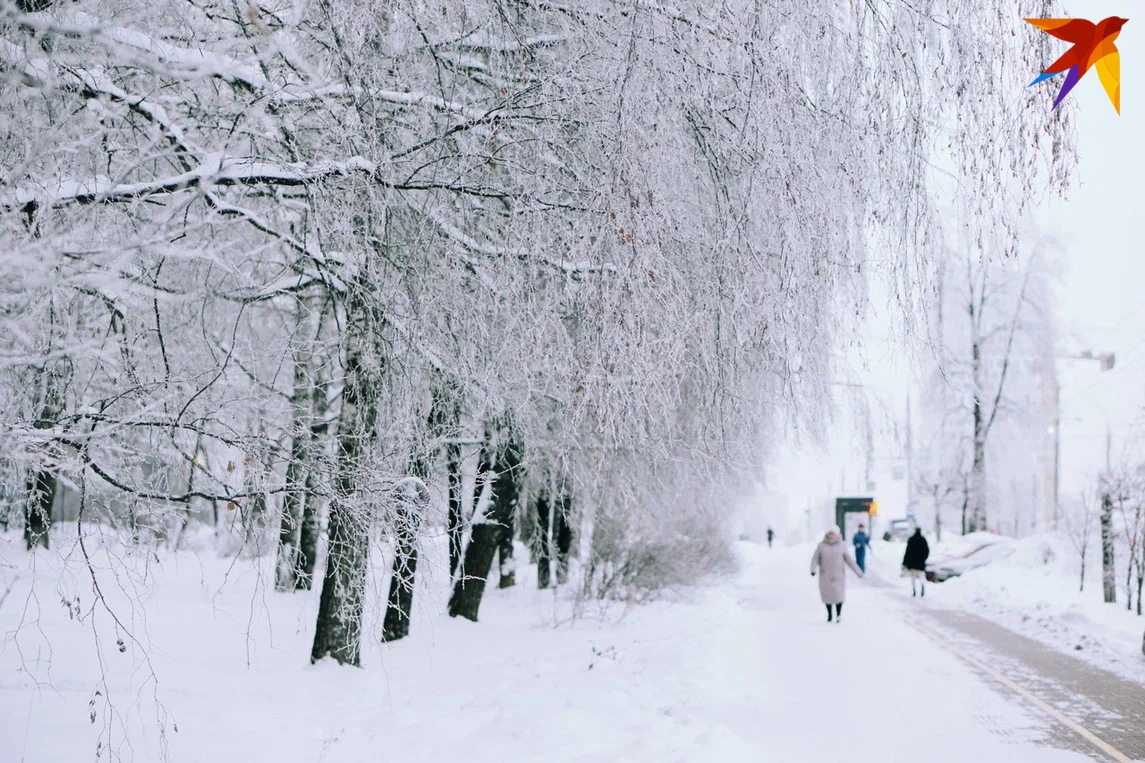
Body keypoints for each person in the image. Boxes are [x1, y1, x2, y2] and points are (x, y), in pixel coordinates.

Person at [810, 526, 864, 623]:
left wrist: (858, 572)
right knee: (827, 596)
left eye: (833, 533)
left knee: (838, 595)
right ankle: (830, 614)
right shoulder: (821, 546)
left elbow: (849, 560)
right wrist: (813, 569)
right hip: (825, 574)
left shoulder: (841, 545)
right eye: (830, 533)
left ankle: (838, 614)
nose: (831, 535)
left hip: (838, 575)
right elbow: (815, 558)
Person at [902, 527, 930, 597]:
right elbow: (927, 551)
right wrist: (924, 558)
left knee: (913, 577)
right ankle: (922, 588)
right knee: (922, 577)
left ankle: (914, 590)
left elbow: (907, 552)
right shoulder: (923, 540)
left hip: (912, 563)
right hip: (921, 563)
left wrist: (905, 562)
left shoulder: (911, 540)